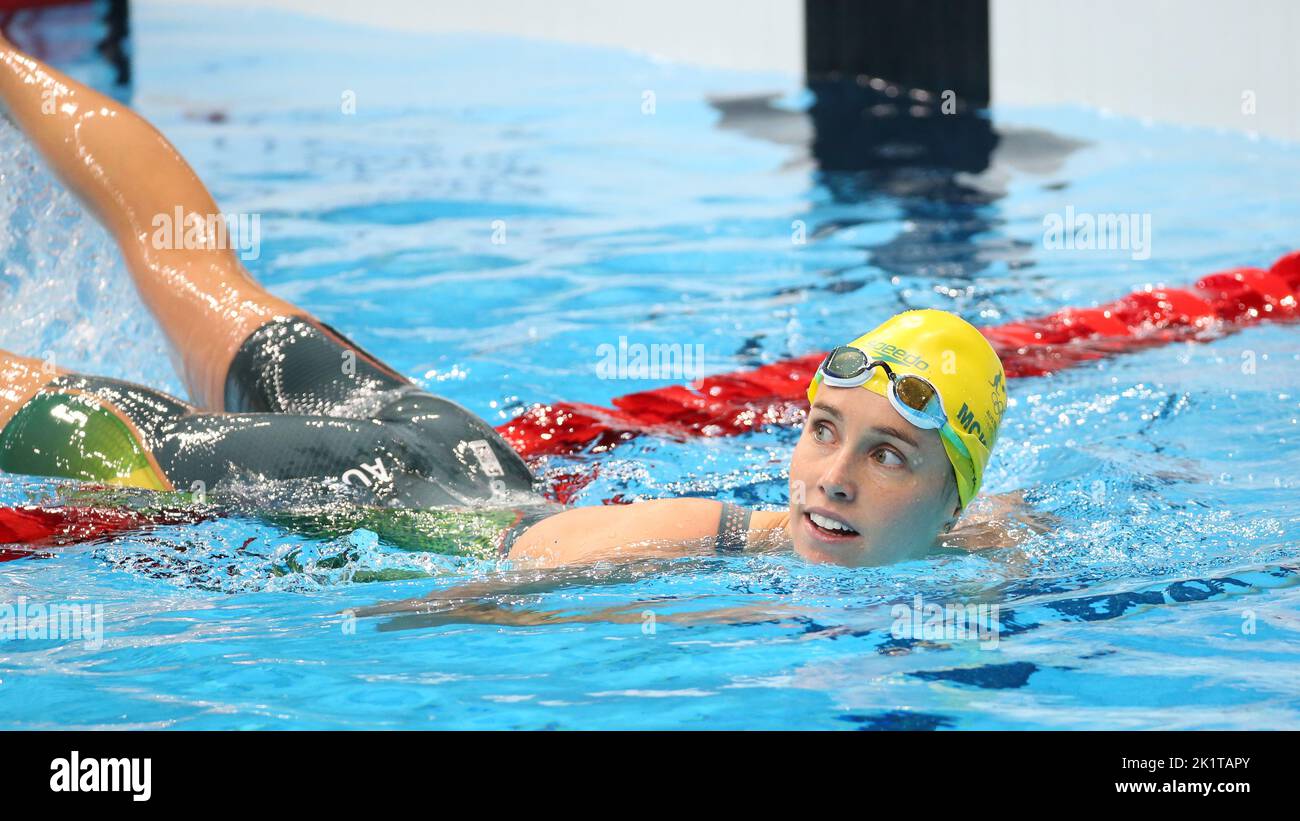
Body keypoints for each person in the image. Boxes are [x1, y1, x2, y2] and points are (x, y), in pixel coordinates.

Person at [0, 35, 1027, 571]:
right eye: (821, 429)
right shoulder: (753, 535)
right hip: (346, 481)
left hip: (453, 446)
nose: (833, 480)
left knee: (199, 273)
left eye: (884, 454)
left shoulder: (949, 530)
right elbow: (523, 568)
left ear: (953, 498)